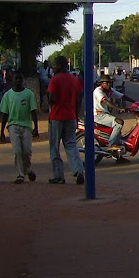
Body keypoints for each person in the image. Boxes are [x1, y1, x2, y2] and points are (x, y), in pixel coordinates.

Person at [47, 56, 84, 185]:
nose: (53, 67)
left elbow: (51, 97)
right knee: (71, 144)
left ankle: (58, 175)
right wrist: (76, 113)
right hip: (71, 116)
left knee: (54, 147)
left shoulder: (55, 79)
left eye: (54, 65)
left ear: (59, 65)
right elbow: (79, 99)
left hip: (56, 116)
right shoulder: (74, 80)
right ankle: (78, 170)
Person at [0, 71, 39, 184]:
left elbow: (33, 112)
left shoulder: (29, 94)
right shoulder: (7, 95)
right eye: (16, 78)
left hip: (26, 126)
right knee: (17, 151)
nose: (18, 81)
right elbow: (4, 114)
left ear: (23, 80)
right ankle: (21, 174)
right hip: (13, 126)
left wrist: (36, 127)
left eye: (20, 78)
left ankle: (28, 169)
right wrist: (1, 131)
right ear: (12, 80)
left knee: (26, 151)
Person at [93, 73, 137, 154]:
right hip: (98, 115)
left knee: (118, 134)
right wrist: (119, 108)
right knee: (119, 122)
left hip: (105, 114)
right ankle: (111, 144)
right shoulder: (98, 91)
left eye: (110, 82)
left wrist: (135, 102)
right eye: (106, 83)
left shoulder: (109, 91)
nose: (109, 84)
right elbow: (106, 102)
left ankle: (118, 155)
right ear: (102, 84)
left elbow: (122, 96)